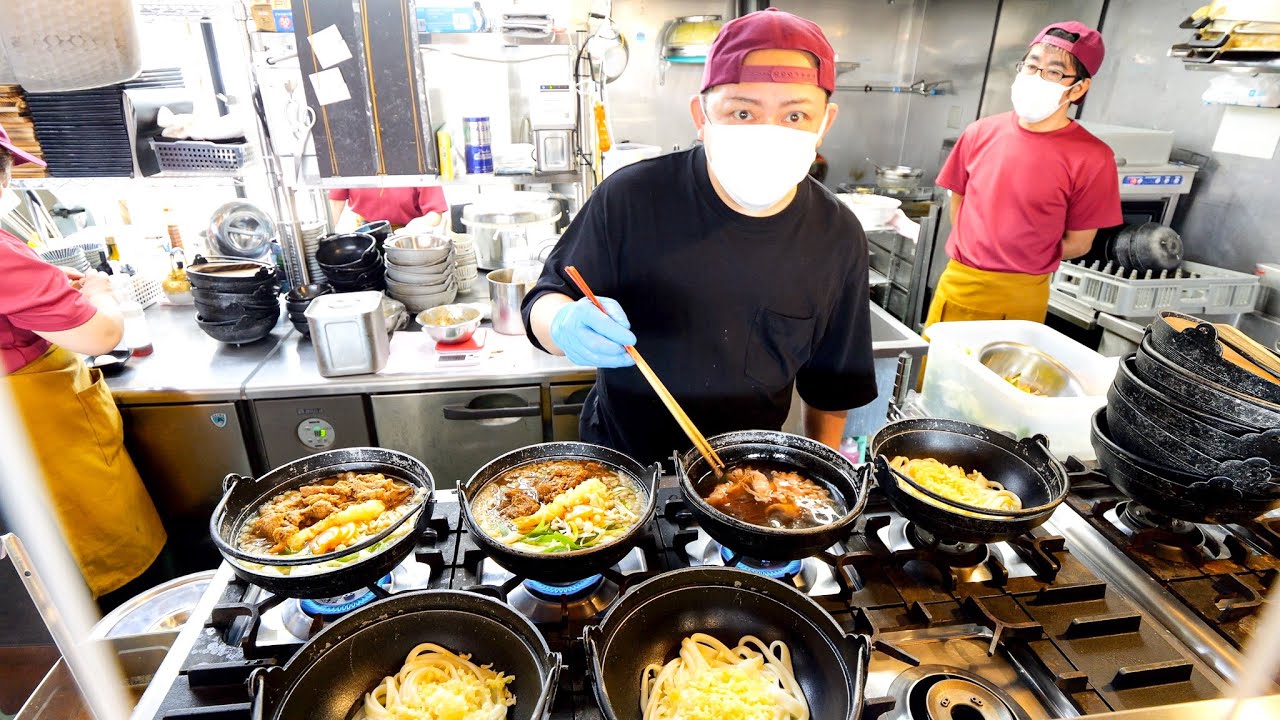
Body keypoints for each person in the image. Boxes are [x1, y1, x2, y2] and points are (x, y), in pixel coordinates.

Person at [522, 8, 876, 466]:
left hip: (745, 481)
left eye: (795, 115)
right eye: (742, 111)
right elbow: (543, 303)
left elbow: (832, 387)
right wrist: (565, 324)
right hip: (620, 473)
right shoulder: (631, 197)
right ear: (702, 115)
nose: (767, 133)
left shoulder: (837, 235)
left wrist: (819, 484)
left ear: (824, 123)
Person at [0, 126, 167, 601]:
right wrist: (98, 295)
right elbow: (101, 334)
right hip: (38, 431)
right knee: (103, 557)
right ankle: (138, 652)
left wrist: (48, 284)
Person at [925, 21, 1122, 326]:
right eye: (1031, 66)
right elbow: (958, 200)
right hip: (958, 285)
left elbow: (1080, 242)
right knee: (935, 373)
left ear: (1079, 87)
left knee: (1009, 375)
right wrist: (980, 247)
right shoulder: (980, 132)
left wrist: (1021, 256)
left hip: (1022, 297)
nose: (1037, 78)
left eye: (1054, 72)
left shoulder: (1093, 157)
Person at [327, 186, 448, 230]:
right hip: (366, 231)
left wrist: (415, 226)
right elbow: (335, 204)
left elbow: (435, 214)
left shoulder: (416, 155)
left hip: (408, 233)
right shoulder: (350, 155)